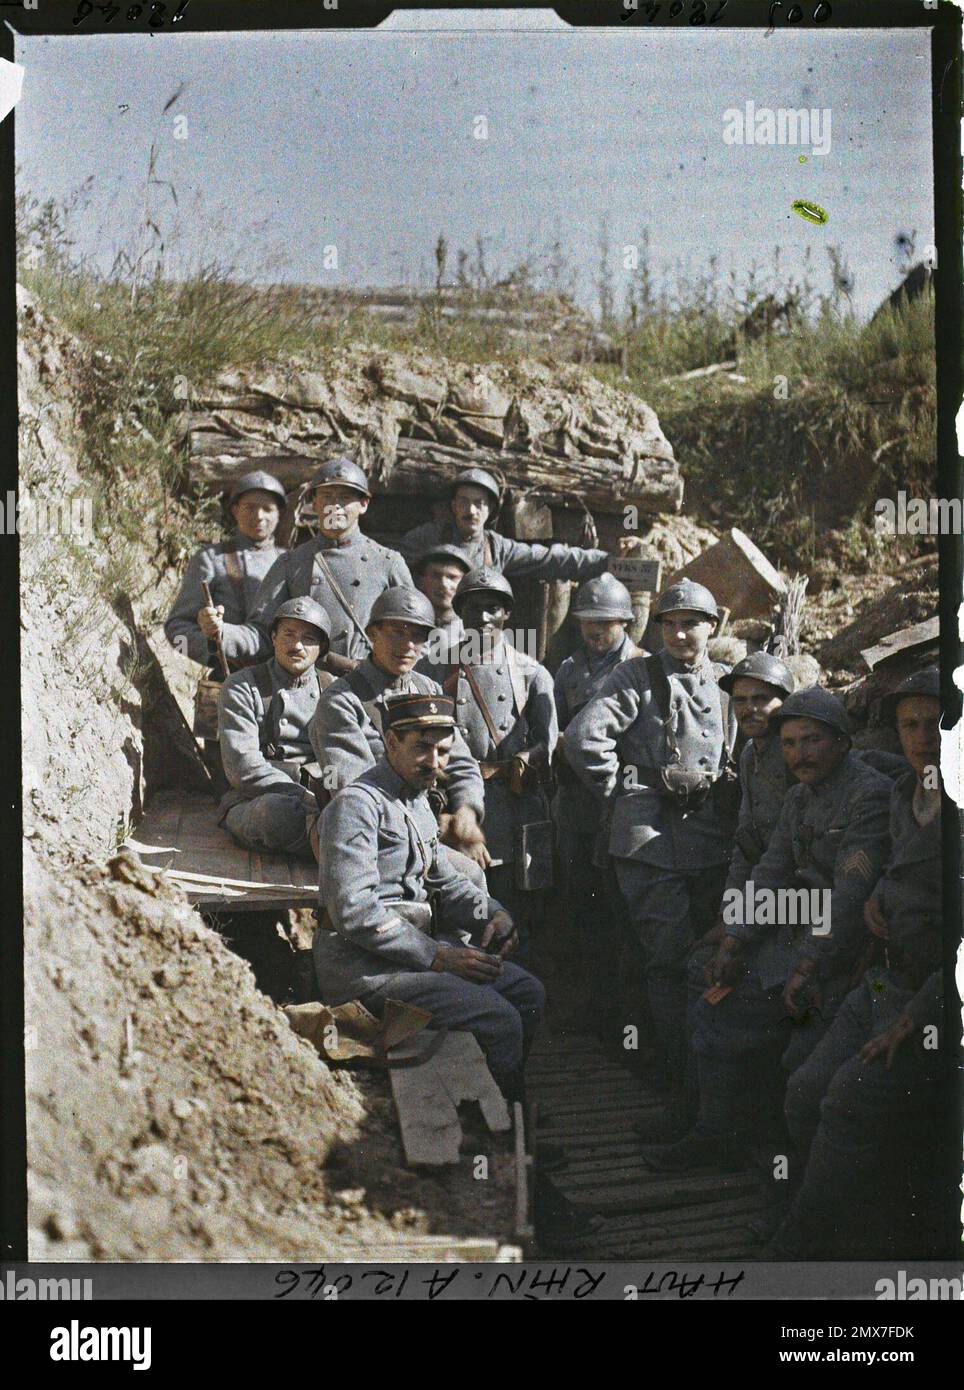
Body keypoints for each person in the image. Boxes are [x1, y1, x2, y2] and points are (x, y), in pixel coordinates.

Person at [644, 686, 893, 1173]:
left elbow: (848, 898)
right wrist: (736, 938)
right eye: (792, 743)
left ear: (843, 742)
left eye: (814, 741)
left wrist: (809, 963)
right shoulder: (801, 797)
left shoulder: (868, 795)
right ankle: (714, 1123)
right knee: (710, 979)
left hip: (843, 947)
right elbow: (771, 871)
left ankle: (720, 1135)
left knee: (727, 1013)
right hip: (794, 928)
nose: (801, 754)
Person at [768, 668, 949, 1258]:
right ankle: (844, 1217)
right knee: (803, 1089)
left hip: (937, 1001)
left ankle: (807, 1240)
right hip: (886, 979)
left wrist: (917, 1017)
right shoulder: (907, 794)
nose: (923, 737)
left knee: (847, 1100)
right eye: (909, 725)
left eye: (937, 722)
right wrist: (881, 894)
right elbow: (885, 873)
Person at [314, 693, 546, 1101]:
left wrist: (491, 913)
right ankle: (502, 1127)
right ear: (390, 742)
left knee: (527, 993)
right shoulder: (357, 806)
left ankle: (505, 1104)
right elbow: (354, 910)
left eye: (443, 751)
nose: (435, 762)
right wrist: (439, 957)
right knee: (500, 1018)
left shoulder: (415, 799)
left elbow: (443, 878)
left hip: (411, 959)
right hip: (366, 973)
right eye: (421, 748)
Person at [564, 579, 737, 1094]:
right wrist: (625, 790)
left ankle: (704, 1072)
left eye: (693, 623)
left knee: (705, 957)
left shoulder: (726, 680)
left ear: (713, 627)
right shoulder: (636, 674)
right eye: (672, 623)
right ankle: (673, 1075)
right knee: (667, 959)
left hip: (712, 839)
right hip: (648, 840)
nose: (682, 633)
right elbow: (582, 738)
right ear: (658, 628)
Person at [308, 586, 488, 876]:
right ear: (372, 633)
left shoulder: (427, 689)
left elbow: (461, 761)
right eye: (396, 632)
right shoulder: (342, 699)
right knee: (467, 877)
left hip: (423, 826)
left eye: (417, 636)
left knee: (477, 877)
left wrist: (467, 810)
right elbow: (356, 788)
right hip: (371, 837)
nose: (407, 645)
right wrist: (434, 825)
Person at [436, 567, 558, 957]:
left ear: (507, 615)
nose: (484, 619)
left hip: (516, 803)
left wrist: (527, 758)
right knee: (462, 899)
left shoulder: (531, 672)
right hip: (460, 804)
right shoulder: (439, 668)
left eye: (494, 609)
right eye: (474, 609)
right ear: (461, 613)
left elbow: (549, 740)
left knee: (519, 904)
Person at [552, 574, 644, 1032]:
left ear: (625, 623)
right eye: (588, 621)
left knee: (624, 910)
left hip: (624, 809)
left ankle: (627, 1015)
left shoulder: (645, 668)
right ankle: (593, 1006)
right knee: (581, 909)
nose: (594, 631)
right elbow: (558, 731)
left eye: (605, 623)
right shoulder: (569, 669)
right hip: (577, 811)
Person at [242, 456, 413, 663]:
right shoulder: (292, 562)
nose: (335, 505)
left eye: (344, 497)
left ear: (363, 504)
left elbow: (413, 628)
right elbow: (262, 632)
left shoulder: (388, 562)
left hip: (366, 681)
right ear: (314, 503)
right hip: (307, 683)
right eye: (327, 496)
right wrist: (222, 632)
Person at [217, 597, 331, 859]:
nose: (297, 645)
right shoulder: (242, 686)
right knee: (275, 815)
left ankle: (325, 841)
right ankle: (330, 845)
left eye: (309, 638)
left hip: (321, 797)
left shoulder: (333, 690)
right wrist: (302, 797)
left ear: (321, 647)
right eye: (288, 634)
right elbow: (243, 767)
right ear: (273, 637)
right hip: (257, 797)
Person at [395, 466, 612, 583]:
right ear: (453, 506)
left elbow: (550, 558)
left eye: (479, 504)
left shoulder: (497, 548)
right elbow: (393, 567)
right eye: (464, 502)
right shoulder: (427, 538)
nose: (471, 511)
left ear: (489, 509)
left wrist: (608, 562)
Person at [164, 469, 287, 667]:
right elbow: (177, 629)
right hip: (231, 677)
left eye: (267, 508)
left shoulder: (290, 563)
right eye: (249, 507)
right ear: (235, 510)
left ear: (279, 514)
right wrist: (215, 652)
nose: (259, 516)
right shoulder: (212, 559)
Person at [410, 541, 471, 656]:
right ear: (422, 581)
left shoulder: (473, 631)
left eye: (452, 577)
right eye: (436, 576)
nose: (443, 584)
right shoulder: (409, 628)